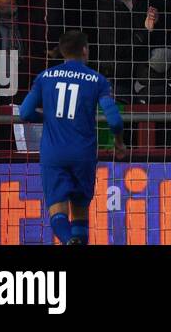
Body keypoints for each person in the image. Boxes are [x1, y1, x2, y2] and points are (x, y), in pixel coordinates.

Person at [17, 30, 128, 245]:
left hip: (53, 153)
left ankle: (68, 240)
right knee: (80, 212)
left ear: (61, 51)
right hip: (83, 154)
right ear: (85, 50)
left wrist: (45, 118)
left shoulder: (45, 77)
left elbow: (24, 113)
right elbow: (114, 120)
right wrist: (119, 143)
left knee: (57, 210)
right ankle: (75, 240)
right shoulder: (97, 80)